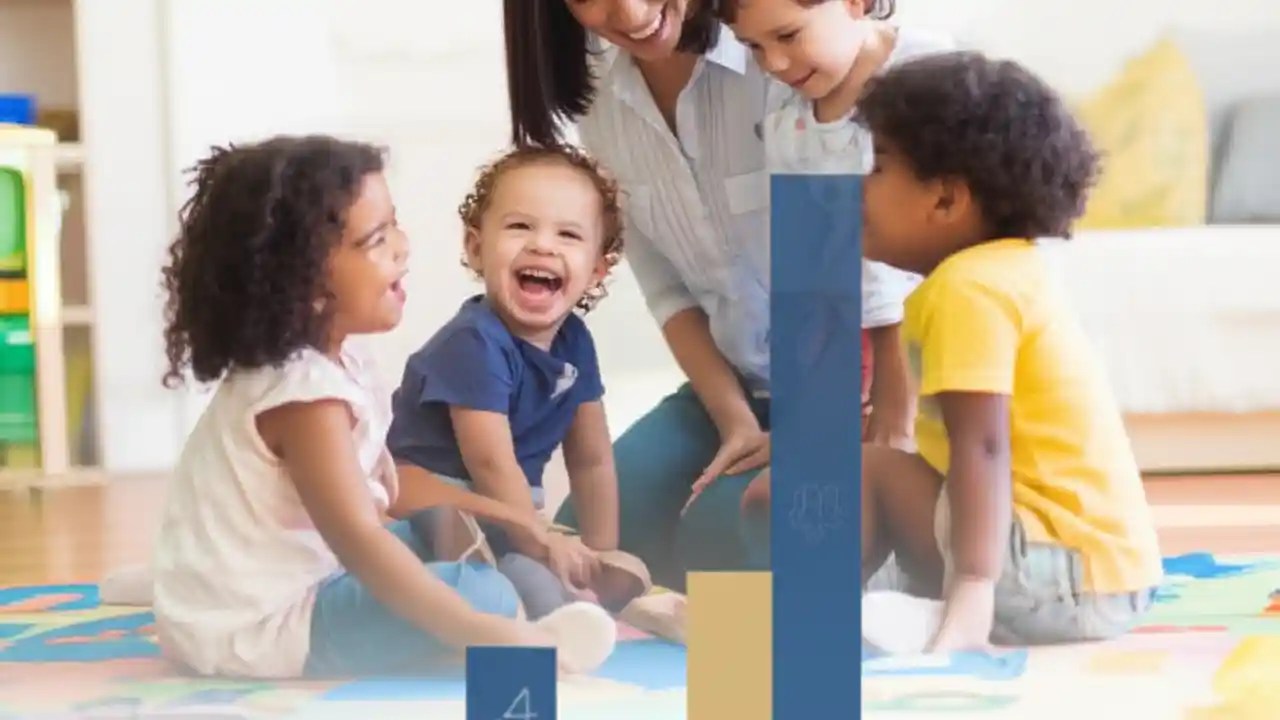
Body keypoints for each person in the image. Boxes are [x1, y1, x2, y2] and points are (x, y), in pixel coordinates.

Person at [151, 135, 614, 680]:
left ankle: (500, 605)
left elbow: (394, 492)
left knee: (439, 531)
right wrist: (486, 632)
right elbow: (364, 544)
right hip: (263, 630)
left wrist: (519, 521)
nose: (403, 247)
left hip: (304, 575)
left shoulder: (339, 359)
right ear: (306, 283)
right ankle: (516, 625)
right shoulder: (306, 400)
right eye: (376, 240)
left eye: (393, 225)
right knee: (483, 593)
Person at [504, 0, 918, 589]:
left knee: (717, 539)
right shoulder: (600, 91)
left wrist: (869, 423)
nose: (629, 11)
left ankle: (758, 659)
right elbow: (665, 284)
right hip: (733, 385)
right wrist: (734, 420)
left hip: (848, 388)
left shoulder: (787, 52)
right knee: (588, 542)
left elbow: (885, 273)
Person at [845, 53, 1163, 653]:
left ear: (945, 200)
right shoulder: (1001, 271)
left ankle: (818, 618)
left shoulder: (970, 287)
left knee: (867, 471)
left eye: (877, 168)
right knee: (846, 488)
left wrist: (970, 588)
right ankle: (851, 611)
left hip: (1057, 577)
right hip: (1101, 580)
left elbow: (981, 446)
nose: (858, 189)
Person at [686, 0, 955, 512]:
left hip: (943, 354)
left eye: (788, 35)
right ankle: (709, 596)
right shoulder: (790, 124)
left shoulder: (933, 76)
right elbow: (809, 279)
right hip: (850, 367)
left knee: (873, 506)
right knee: (763, 503)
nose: (775, 65)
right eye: (753, 47)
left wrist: (895, 416)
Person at [386, 144, 652, 621]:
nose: (542, 245)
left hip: (511, 509)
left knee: (629, 571)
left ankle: (565, 599)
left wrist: (598, 553)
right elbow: (490, 463)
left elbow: (592, 460)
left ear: (597, 270)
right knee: (531, 584)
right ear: (475, 247)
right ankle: (537, 614)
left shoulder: (575, 342)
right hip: (444, 498)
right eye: (519, 226)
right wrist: (542, 546)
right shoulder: (473, 341)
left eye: (568, 234)